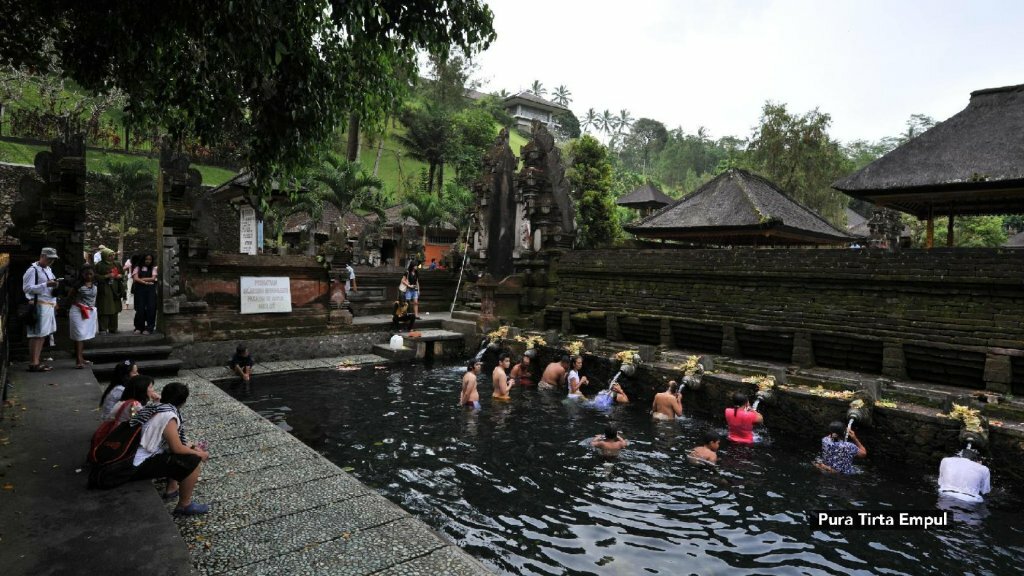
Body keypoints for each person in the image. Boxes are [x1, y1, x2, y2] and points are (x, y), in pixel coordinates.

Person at [129, 382, 211, 515]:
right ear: (183, 401)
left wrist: (194, 447)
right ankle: (184, 505)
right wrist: (199, 454)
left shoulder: (154, 407)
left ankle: (172, 489)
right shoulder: (168, 415)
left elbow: (175, 442)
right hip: (135, 466)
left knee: (177, 455)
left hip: (131, 456)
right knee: (192, 460)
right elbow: (177, 448)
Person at [23, 247, 61, 372]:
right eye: (49, 259)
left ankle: (36, 361)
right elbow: (27, 289)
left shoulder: (49, 270)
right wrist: (46, 285)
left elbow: (51, 288)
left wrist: (54, 299)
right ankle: (33, 362)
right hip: (38, 304)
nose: (51, 261)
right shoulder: (32, 270)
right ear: (42, 256)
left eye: (53, 259)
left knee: (42, 335)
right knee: (36, 334)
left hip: (48, 304)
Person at [68, 265, 99, 368]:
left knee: (84, 335)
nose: (89, 276)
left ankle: (81, 357)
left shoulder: (95, 284)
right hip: (78, 311)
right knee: (79, 335)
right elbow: (70, 297)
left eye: (91, 274)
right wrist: (80, 305)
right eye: (86, 274)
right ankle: (78, 361)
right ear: (82, 274)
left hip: (89, 312)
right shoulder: (77, 285)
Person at [95, 248, 124, 333]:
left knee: (115, 308)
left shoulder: (117, 264)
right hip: (104, 288)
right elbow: (94, 276)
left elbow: (122, 274)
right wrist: (106, 276)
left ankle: (113, 328)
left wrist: (120, 276)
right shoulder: (99, 265)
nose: (111, 257)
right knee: (104, 308)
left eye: (113, 255)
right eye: (109, 255)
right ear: (104, 256)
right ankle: (103, 328)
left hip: (115, 288)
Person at [131, 253, 158, 335]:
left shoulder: (153, 268)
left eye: (150, 259)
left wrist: (141, 279)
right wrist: (145, 282)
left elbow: (153, 278)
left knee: (151, 308)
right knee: (140, 308)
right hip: (139, 290)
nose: (148, 261)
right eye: (146, 259)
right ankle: (139, 327)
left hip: (150, 291)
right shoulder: (137, 268)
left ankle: (150, 328)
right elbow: (135, 278)